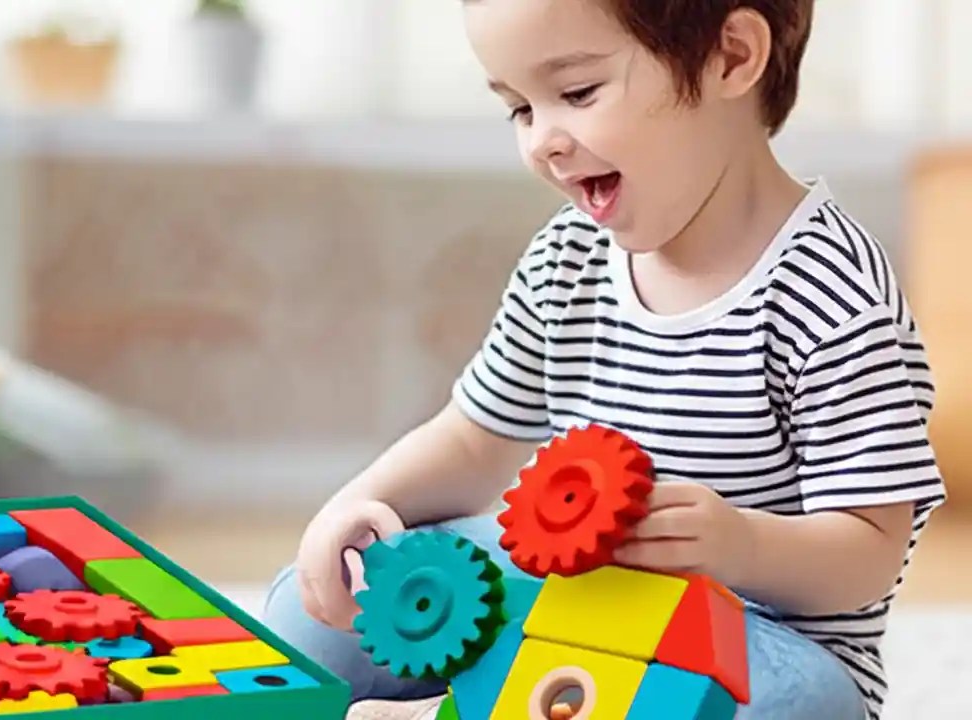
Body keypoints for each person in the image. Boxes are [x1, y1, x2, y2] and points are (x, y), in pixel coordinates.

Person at [260, 1, 947, 719]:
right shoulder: (567, 257)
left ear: (732, 57)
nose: (543, 142)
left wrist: (739, 544)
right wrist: (359, 506)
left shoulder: (830, 292)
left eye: (578, 93)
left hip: (744, 639)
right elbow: (473, 437)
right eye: (520, 108)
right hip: (564, 594)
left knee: (809, 706)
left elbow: (868, 554)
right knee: (312, 616)